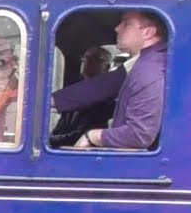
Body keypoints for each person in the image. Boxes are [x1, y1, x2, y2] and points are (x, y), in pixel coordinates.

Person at [51, 10, 167, 150]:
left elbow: (139, 135)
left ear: (148, 32)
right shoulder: (142, 61)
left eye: (126, 23)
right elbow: (103, 85)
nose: (117, 28)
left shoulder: (150, 69)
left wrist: (92, 136)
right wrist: (48, 101)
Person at [49, 46, 115, 148]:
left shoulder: (106, 99)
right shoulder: (74, 93)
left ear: (107, 67)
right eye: (86, 58)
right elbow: (60, 128)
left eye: (95, 59)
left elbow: (83, 134)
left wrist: (49, 140)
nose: (87, 62)